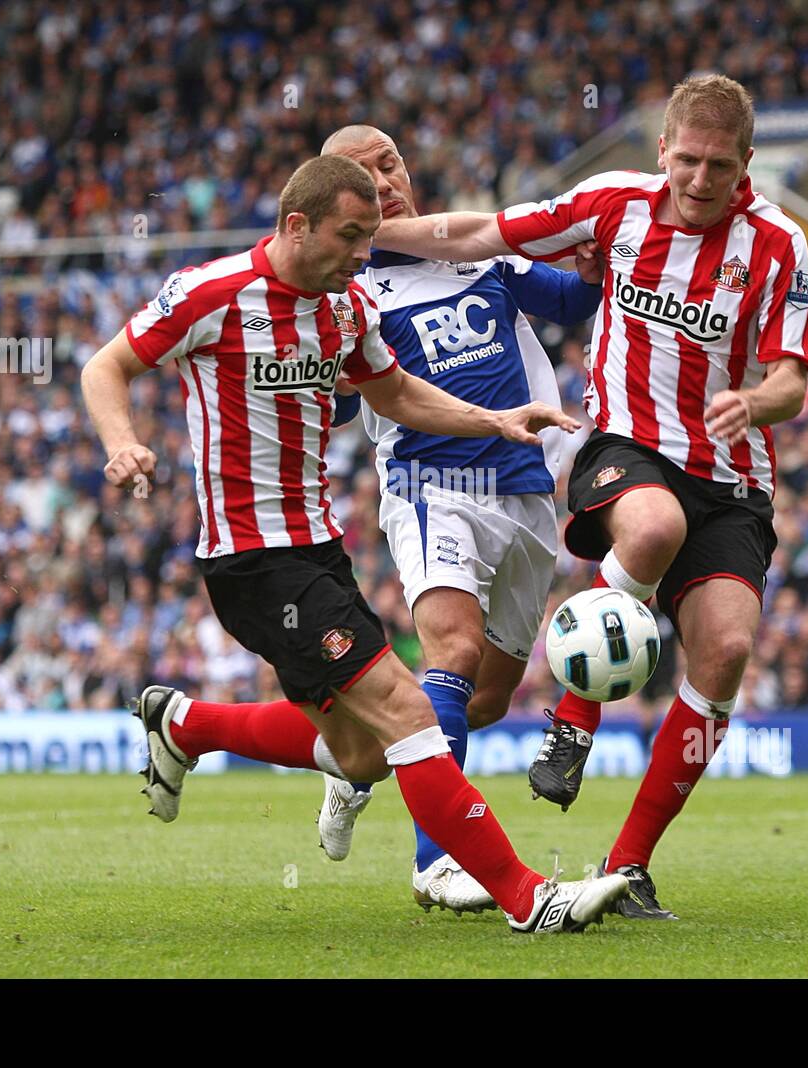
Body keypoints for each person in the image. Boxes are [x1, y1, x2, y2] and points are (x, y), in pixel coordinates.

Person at [79, 153, 627, 933]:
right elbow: (108, 365)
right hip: (252, 559)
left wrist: (497, 421)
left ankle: (185, 724)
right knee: (411, 710)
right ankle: (526, 896)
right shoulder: (212, 293)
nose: (364, 255)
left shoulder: (346, 309)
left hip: (318, 549)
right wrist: (121, 441)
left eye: (371, 237)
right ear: (296, 224)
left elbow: (397, 392)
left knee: (366, 754)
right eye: (350, 236)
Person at [372, 74, 808, 919]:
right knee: (652, 524)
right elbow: (481, 231)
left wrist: (754, 401)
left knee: (724, 653)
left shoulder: (778, 244)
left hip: (732, 475)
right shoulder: (613, 203)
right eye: (685, 160)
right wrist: (362, 231)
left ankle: (629, 864)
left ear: (746, 164)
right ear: (661, 151)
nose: (697, 180)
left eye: (717, 167)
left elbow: (793, 381)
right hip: (626, 445)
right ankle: (574, 723)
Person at [315, 125, 603, 913]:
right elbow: (340, 403)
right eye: (364, 177)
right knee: (455, 648)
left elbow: (575, 300)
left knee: (485, 697)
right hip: (430, 480)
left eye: (392, 164)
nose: (385, 183)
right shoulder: (346, 288)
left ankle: (352, 759)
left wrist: (594, 249)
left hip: (526, 488)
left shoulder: (478, 248)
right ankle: (436, 861)